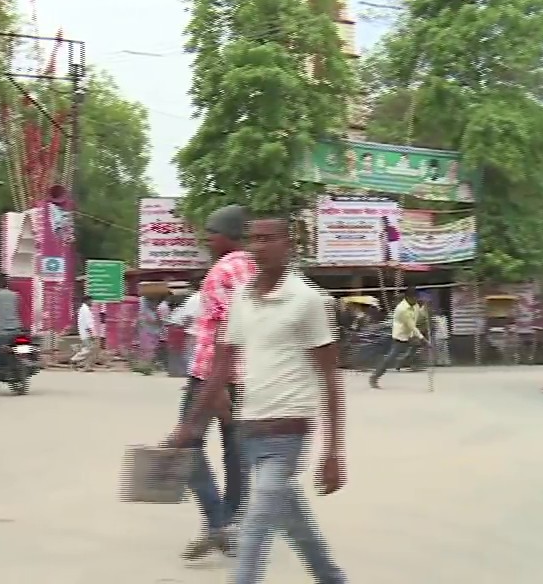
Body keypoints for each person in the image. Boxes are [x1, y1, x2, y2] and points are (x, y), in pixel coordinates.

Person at [172, 214, 347, 584]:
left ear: (289, 245)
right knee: (298, 528)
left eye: (270, 239)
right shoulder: (241, 299)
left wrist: (333, 452)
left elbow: (331, 379)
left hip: (288, 434)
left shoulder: (308, 301)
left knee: (254, 528)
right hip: (249, 431)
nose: (260, 247)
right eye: (254, 239)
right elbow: (220, 368)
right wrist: (190, 427)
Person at [172, 205, 254, 560]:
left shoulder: (222, 272)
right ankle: (230, 523)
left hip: (212, 374)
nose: (207, 237)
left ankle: (217, 521)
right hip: (248, 374)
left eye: (211, 230)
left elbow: (226, 328)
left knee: (185, 441)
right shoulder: (256, 268)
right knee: (237, 454)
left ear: (227, 234)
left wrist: (218, 383)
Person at [369, 287, 427, 389]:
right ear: (408, 298)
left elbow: (417, 319)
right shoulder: (402, 309)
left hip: (410, 334)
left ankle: (405, 361)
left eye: (417, 298)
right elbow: (411, 325)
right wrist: (422, 338)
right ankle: (375, 376)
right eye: (414, 298)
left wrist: (426, 310)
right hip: (400, 336)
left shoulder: (415, 305)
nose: (416, 300)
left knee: (417, 345)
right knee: (390, 357)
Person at [72, 295, 97, 371]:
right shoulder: (85, 310)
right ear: (87, 301)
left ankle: (85, 366)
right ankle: (74, 360)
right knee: (88, 349)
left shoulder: (83, 309)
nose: (92, 302)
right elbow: (88, 323)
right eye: (91, 301)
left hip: (84, 333)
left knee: (86, 349)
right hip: (86, 333)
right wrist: (92, 334)